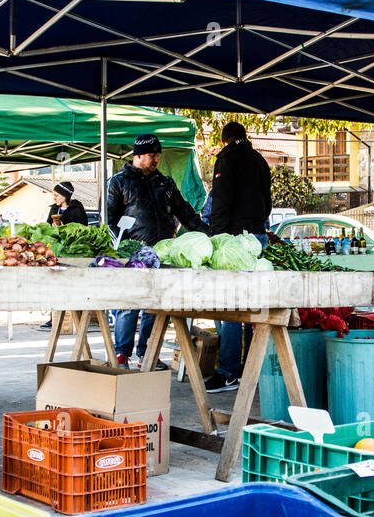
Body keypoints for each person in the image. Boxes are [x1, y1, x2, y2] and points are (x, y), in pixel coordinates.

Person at [106, 134, 209, 366]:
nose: (156, 160)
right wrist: (123, 250)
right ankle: (121, 354)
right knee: (129, 306)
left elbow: (186, 214)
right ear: (138, 155)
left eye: (158, 156)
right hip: (133, 258)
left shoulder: (165, 183)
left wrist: (209, 232)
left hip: (162, 255)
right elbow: (109, 221)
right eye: (152, 156)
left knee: (155, 308)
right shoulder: (118, 182)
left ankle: (147, 353)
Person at [205, 121, 272, 393]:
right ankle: (247, 368)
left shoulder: (228, 159)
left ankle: (228, 371)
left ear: (224, 141)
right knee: (251, 306)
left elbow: (220, 201)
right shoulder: (260, 161)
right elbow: (267, 203)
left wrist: (217, 238)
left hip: (234, 240)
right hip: (257, 237)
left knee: (231, 307)